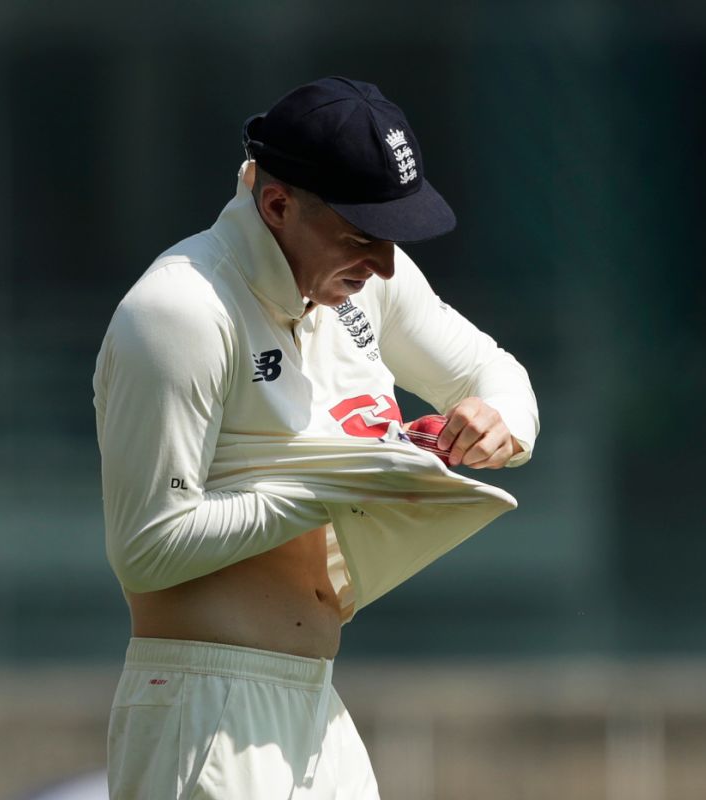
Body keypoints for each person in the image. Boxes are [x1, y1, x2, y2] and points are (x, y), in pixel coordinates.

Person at [93, 77, 539, 799]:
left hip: (315, 701)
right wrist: (335, 485)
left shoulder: (364, 276)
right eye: (362, 236)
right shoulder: (179, 309)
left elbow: (495, 372)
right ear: (277, 205)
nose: (386, 264)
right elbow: (146, 549)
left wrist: (498, 420)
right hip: (202, 706)